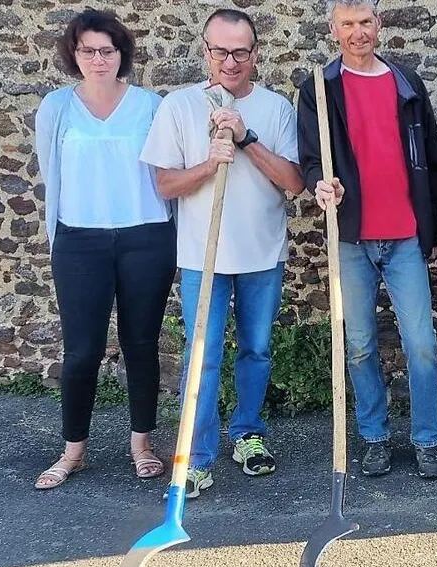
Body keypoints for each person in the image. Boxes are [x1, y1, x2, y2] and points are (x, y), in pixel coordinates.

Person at [140, 8, 305, 498]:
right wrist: (209, 163)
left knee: (256, 351)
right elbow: (165, 185)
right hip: (202, 257)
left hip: (262, 255)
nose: (230, 62)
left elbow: (294, 183)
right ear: (205, 51)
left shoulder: (276, 109)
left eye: (240, 52)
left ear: (255, 55)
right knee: (202, 357)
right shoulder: (179, 106)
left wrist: (246, 138)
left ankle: (248, 434)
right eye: (220, 51)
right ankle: (198, 455)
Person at [296, 0, 437, 479]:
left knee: (421, 344)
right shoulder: (319, 89)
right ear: (333, 29)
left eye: (365, 22)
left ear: (379, 25)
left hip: (404, 236)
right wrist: (322, 182)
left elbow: (433, 158)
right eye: (348, 24)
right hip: (352, 237)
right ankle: (374, 436)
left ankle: (427, 440)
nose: (357, 32)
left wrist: (426, 217)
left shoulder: (407, 84)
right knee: (359, 344)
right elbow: (310, 159)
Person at [33, 9, 175, 490]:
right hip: (79, 240)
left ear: (122, 55)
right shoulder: (55, 108)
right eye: (88, 50)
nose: (99, 59)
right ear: (74, 55)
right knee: (82, 351)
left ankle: (142, 444)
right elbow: (52, 175)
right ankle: (73, 451)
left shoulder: (151, 105)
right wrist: (61, 237)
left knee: (140, 345)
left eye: (108, 50)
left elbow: (165, 174)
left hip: (146, 237)